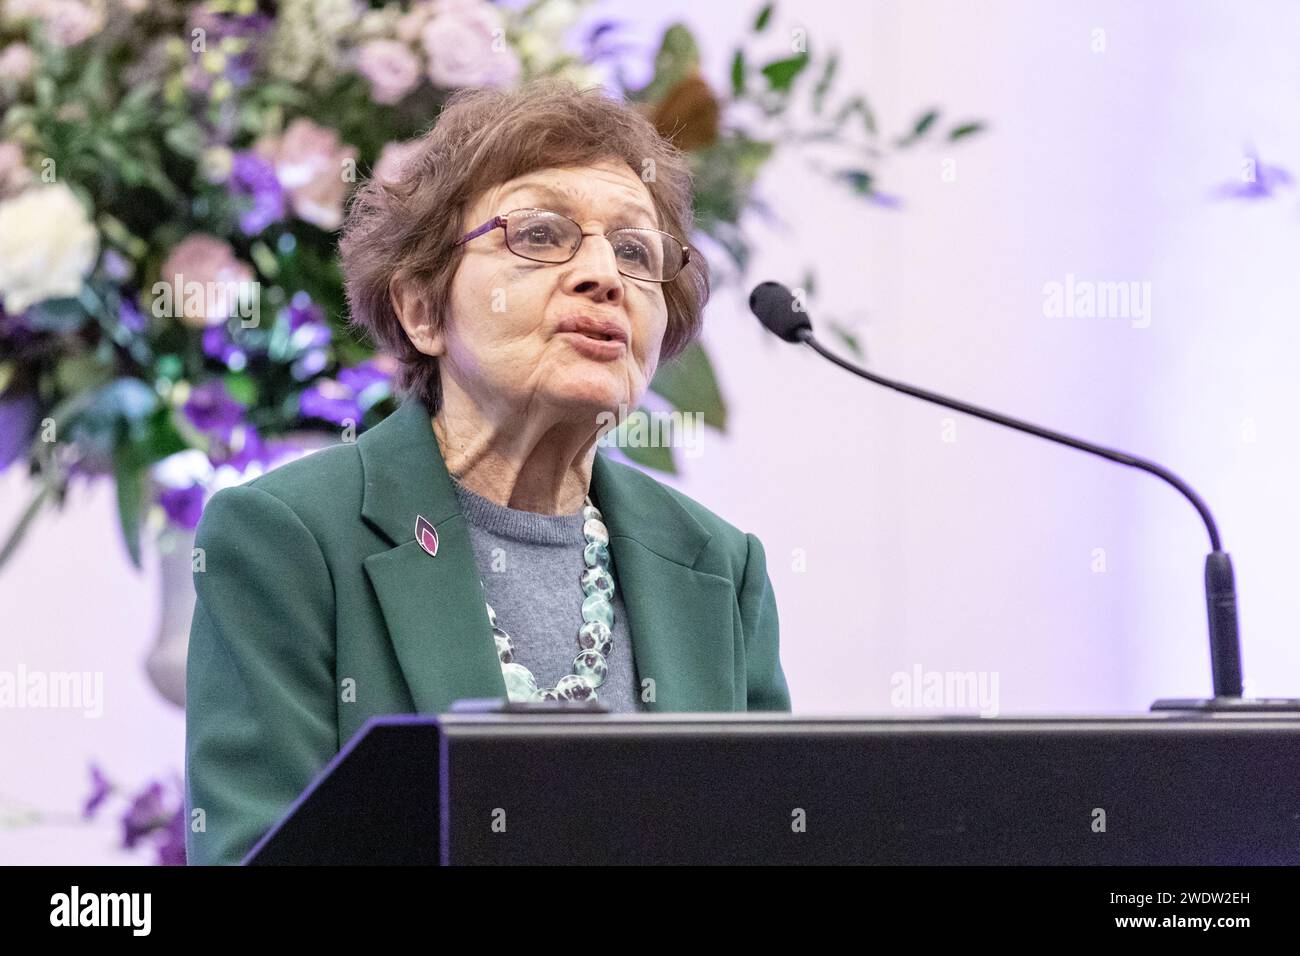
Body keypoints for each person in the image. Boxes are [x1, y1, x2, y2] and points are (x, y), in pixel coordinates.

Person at [184, 81, 791, 866]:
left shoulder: (719, 566)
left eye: (636, 251)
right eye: (541, 235)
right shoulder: (286, 539)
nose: (604, 274)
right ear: (423, 310)